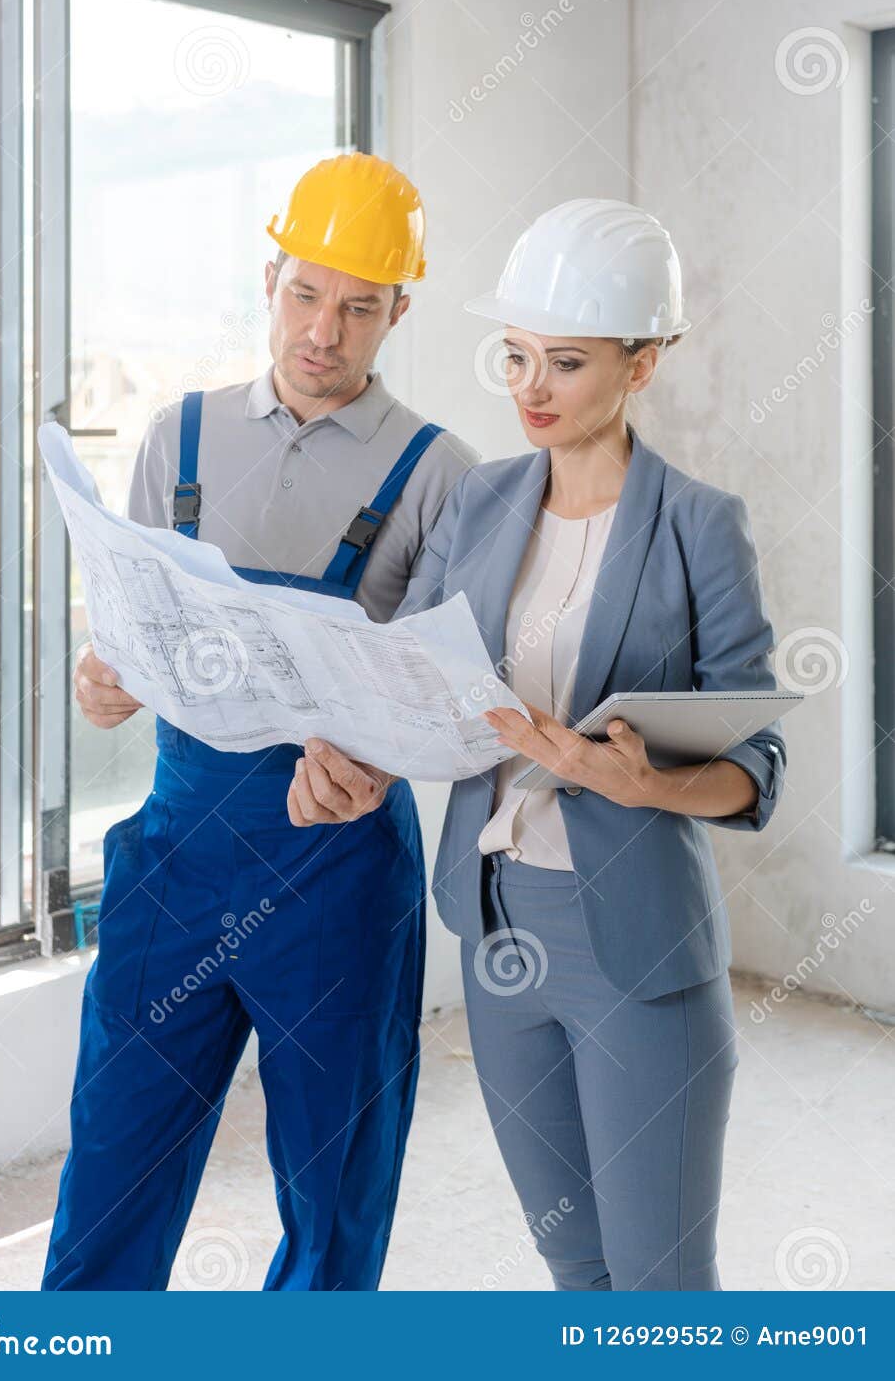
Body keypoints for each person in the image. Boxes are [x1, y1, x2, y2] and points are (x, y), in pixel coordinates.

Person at [288, 197, 788, 1292]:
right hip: (494, 926)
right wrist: (351, 761)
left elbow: (757, 763)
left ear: (641, 364)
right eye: (515, 356)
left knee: (658, 1281)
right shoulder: (480, 499)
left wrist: (645, 783)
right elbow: (411, 676)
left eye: (564, 362)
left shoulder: (698, 524)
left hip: (633, 943)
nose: (529, 387)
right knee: (572, 1264)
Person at [41, 153, 477, 1291]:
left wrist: (378, 758)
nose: (323, 332)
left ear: (397, 312)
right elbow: (127, 634)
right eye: (305, 293)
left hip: (335, 872)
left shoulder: (441, 475)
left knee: (334, 1193)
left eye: (359, 308)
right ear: (269, 278)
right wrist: (103, 677)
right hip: (175, 858)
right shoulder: (174, 437)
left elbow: (446, 692)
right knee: (114, 1165)